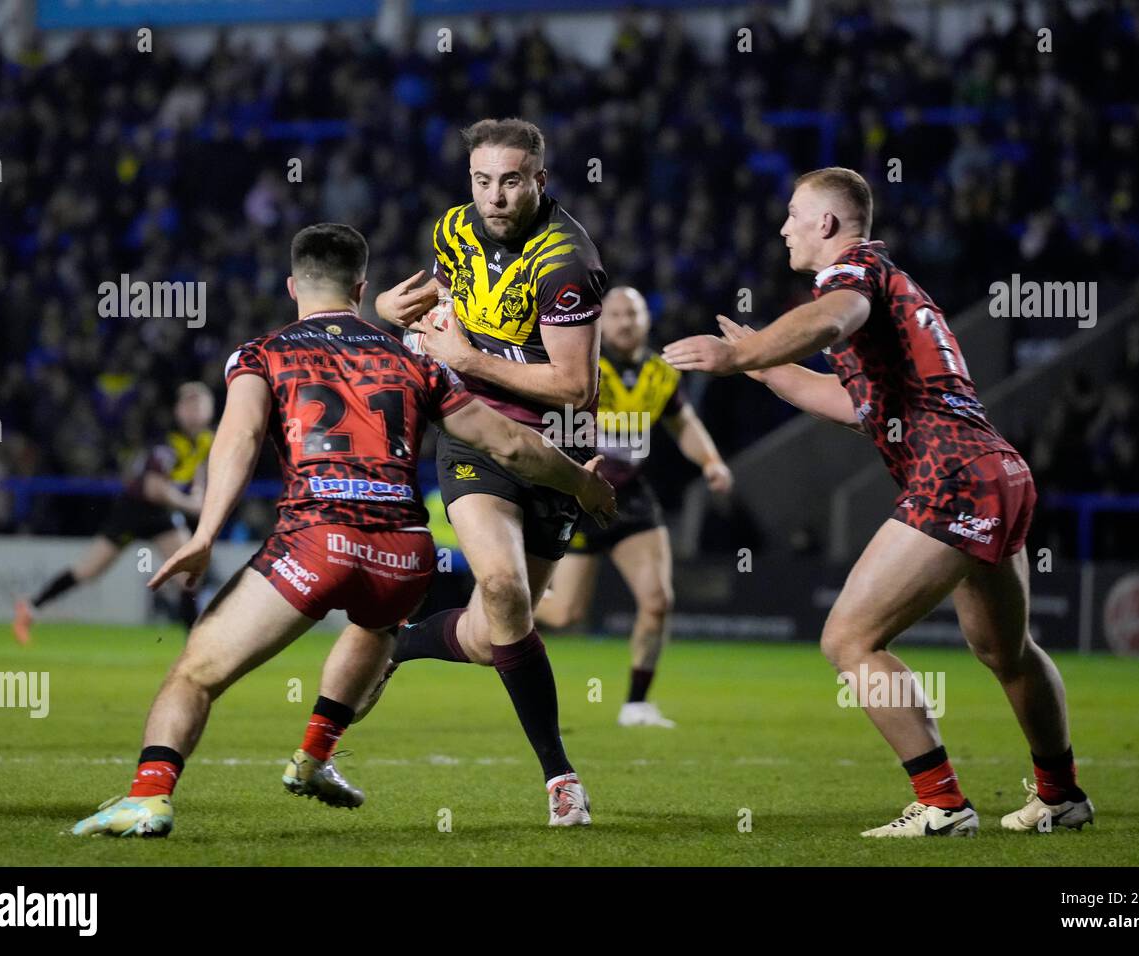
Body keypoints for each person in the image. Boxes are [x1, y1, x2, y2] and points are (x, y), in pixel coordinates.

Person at [70, 222, 614, 838]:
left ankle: (149, 796)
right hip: (405, 555)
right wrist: (584, 485)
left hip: (317, 538)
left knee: (195, 673)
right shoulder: (414, 358)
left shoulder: (262, 353)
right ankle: (314, 758)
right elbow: (511, 444)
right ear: (361, 288)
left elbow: (241, 437)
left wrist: (204, 534)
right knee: (377, 625)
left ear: (291, 285)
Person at [664, 167, 1094, 837]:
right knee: (1008, 654)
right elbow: (847, 402)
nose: (783, 228)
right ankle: (1062, 795)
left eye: (793, 215)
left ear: (828, 224)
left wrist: (740, 352)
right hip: (996, 470)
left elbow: (835, 317)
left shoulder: (852, 274)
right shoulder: (900, 288)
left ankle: (943, 804)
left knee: (849, 639)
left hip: (952, 476)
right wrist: (758, 362)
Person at [367, 118, 607, 825]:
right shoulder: (454, 229)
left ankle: (401, 642)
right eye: (481, 180)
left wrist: (467, 358)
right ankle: (560, 776)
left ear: (540, 179)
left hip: (552, 451)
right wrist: (387, 311)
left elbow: (574, 388)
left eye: (509, 181)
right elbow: (436, 306)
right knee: (501, 588)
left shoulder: (566, 260)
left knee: (496, 626)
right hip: (472, 438)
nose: (493, 196)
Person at [533, 286, 733, 728]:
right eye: (618, 314)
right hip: (581, 496)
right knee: (567, 614)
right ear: (602, 320)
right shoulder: (580, 363)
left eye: (634, 314)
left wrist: (712, 462)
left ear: (646, 320)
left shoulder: (660, 373)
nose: (626, 322)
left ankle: (636, 704)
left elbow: (683, 423)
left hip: (633, 500)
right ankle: (506, 604)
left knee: (658, 601)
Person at [13, 382, 213, 643]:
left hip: (162, 514)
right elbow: (154, 489)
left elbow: (199, 469)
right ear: (177, 410)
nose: (193, 411)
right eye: (187, 404)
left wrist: (198, 490)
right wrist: (191, 503)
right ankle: (30, 608)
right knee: (88, 571)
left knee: (189, 575)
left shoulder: (208, 439)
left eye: (198, 405)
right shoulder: (167, 441)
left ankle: (194, 643)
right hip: (135, 510)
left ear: (210, 410)